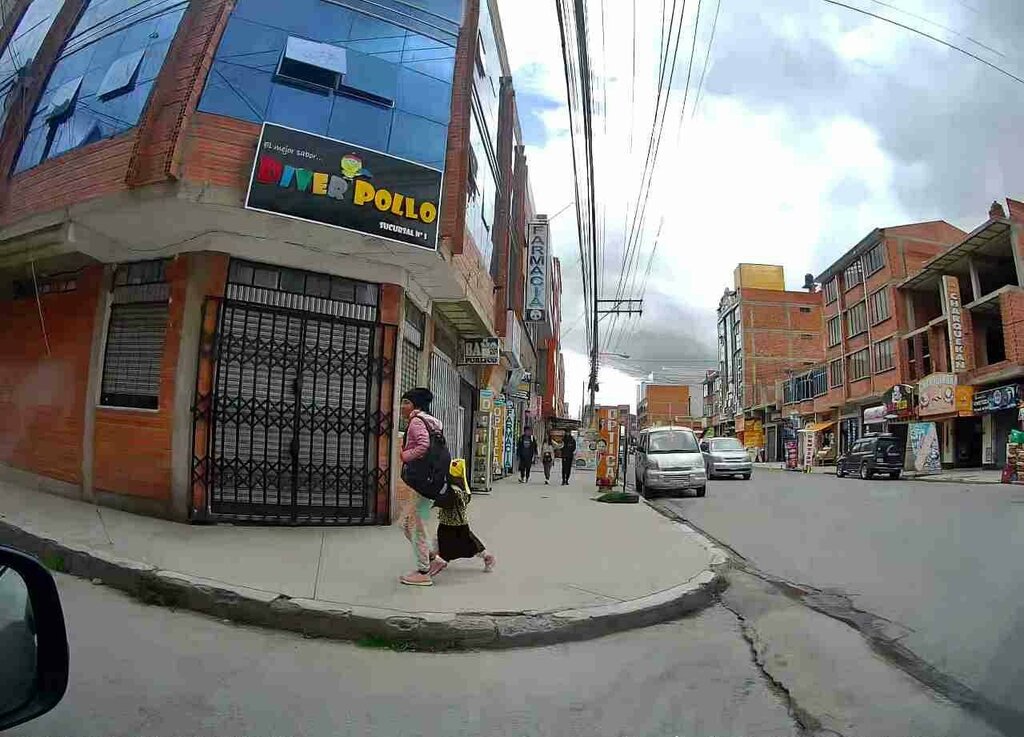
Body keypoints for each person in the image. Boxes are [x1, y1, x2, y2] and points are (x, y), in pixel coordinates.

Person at [397, 387, 443, 587]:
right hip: (429, 482)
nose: (402, 406)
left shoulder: (417, 422)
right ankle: (433, 558)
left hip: (423, 482)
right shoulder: (430, 421)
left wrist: (405, 456)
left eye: (406, 402)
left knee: (415, 526)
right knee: (408, 524)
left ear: (415, 405)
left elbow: (423, 446)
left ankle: (424, 571)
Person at [428, 458, 495, 577]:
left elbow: (443, 500)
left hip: (448, 523)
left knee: (441, 542)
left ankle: (435, 559)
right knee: (470, 543)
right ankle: (486, 556)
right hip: (461, 523)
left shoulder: (451, 490)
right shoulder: (462, 488)